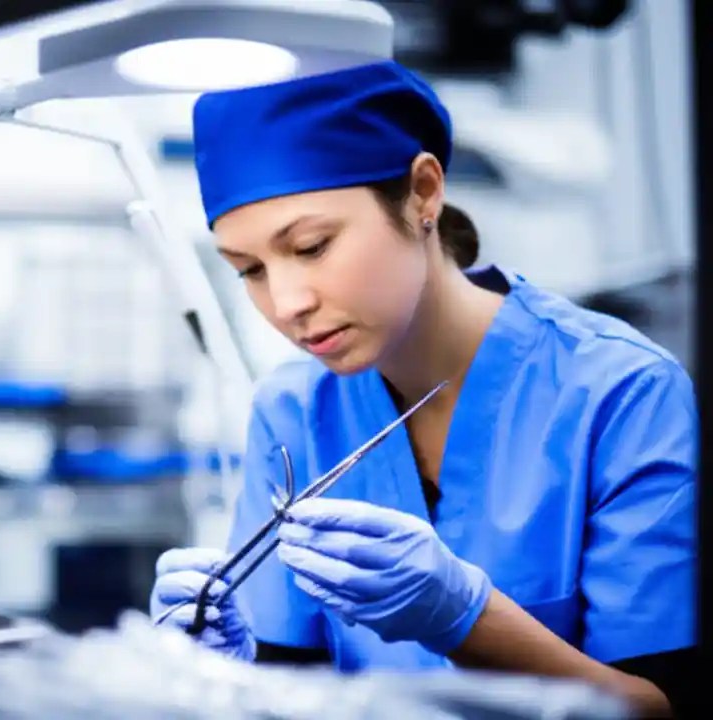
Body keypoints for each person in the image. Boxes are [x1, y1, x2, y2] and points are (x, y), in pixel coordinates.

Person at [149, 61, 694, 717]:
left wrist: (466, 618)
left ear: (424, 192)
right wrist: (226, 675)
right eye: (249, 270)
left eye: (313, 246)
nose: (287, 302)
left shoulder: (622, 392)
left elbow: (661, 706)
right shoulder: (293, 408)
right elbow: (291, 680)